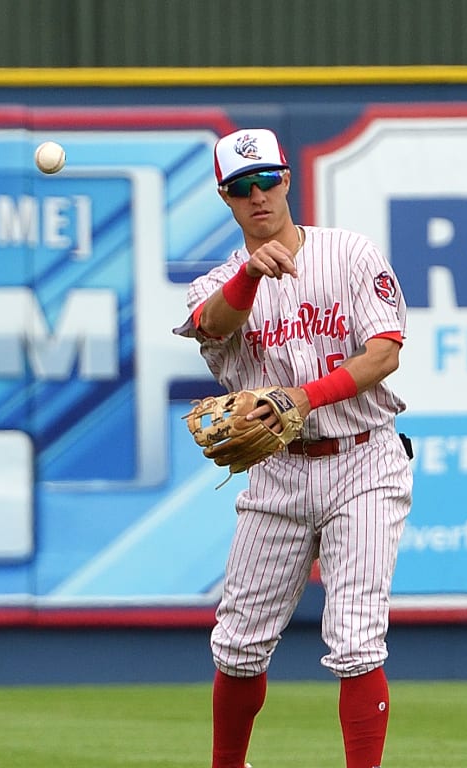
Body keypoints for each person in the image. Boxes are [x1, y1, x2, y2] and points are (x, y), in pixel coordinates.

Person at [174, 127, 413, 768]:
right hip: (277, 472)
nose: (258, 197)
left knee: (357, 636)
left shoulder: (351, 254)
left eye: (267, 181)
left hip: (364, 458)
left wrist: (304, 397)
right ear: (225, 198)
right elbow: (212, 324)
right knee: (238, 644)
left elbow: (384, 353)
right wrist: (249, 277)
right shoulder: (217, 285)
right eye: (241, 188)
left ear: (287, 179)